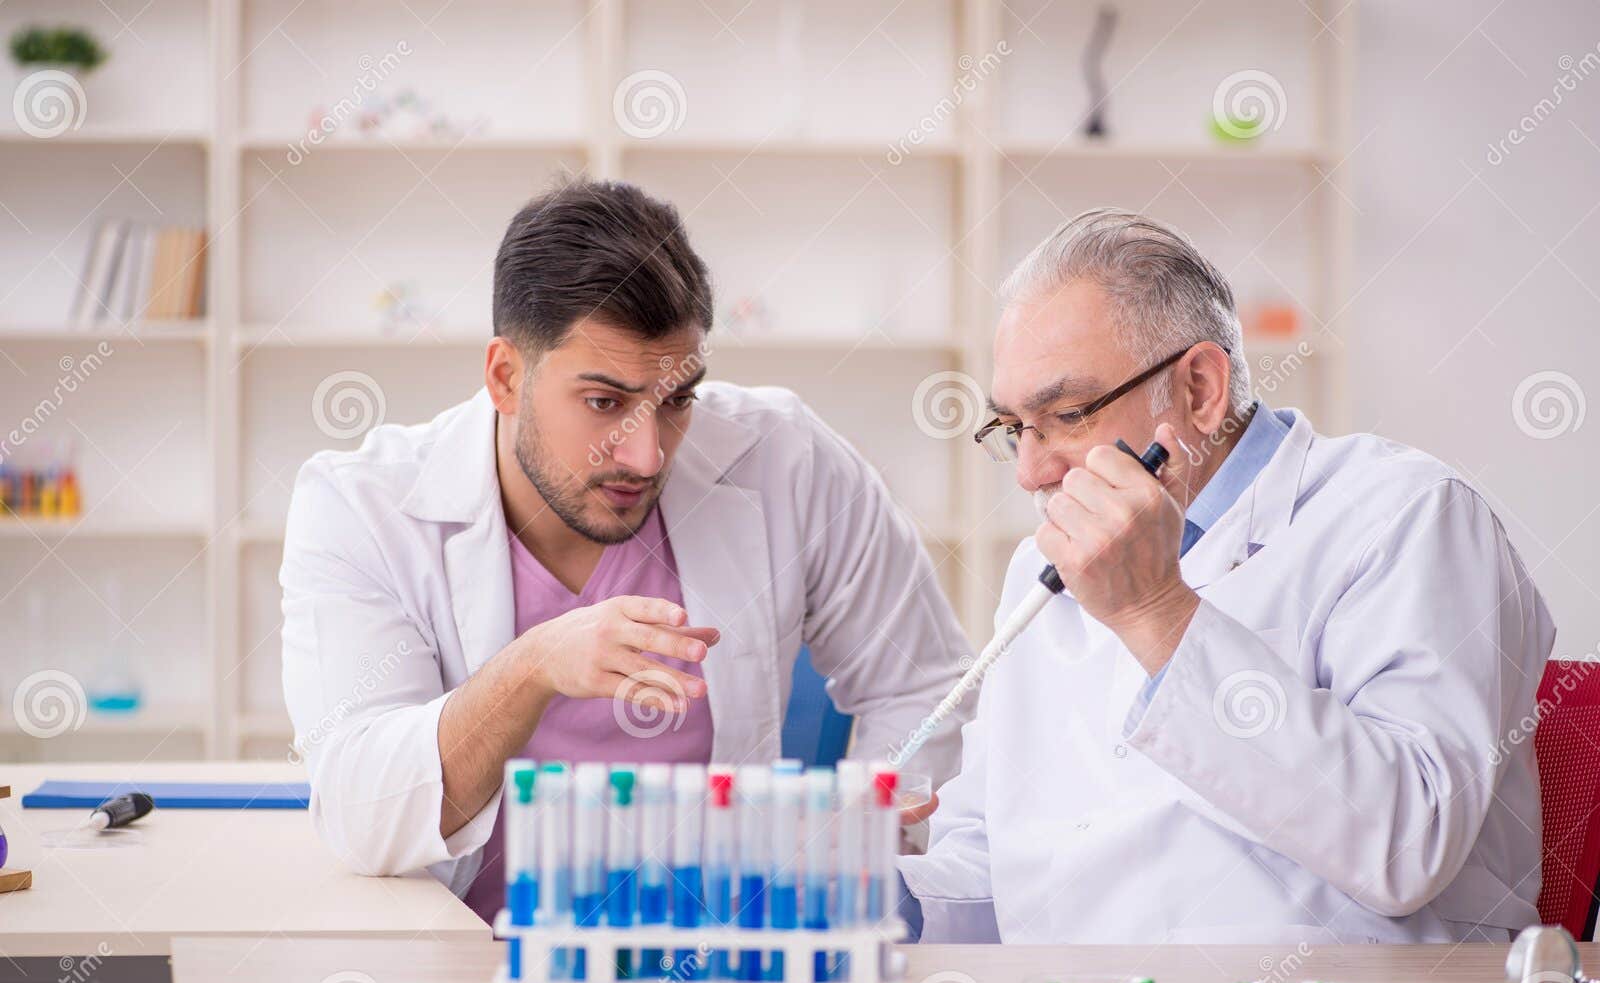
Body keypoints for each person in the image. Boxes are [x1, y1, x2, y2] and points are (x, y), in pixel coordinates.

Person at [280, 178, 969, 920]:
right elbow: (362, 812)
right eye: (604, 403)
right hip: (471, 969)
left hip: (724, 964)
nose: (646, 455)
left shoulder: (786, 457)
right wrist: (534, 666)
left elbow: (925, 684)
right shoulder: (360, 505)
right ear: (506, 377)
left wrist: (849, 849)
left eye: (676, 400)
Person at [899, 208, 1554, 944]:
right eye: (1015, 428)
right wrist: (886, 899)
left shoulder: (1408, 517)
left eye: (1066, 414)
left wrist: (1156, 612)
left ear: (1201, 389)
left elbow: (1407, 846)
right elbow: (996, 869)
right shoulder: (1042, 570)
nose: (1030, 471)